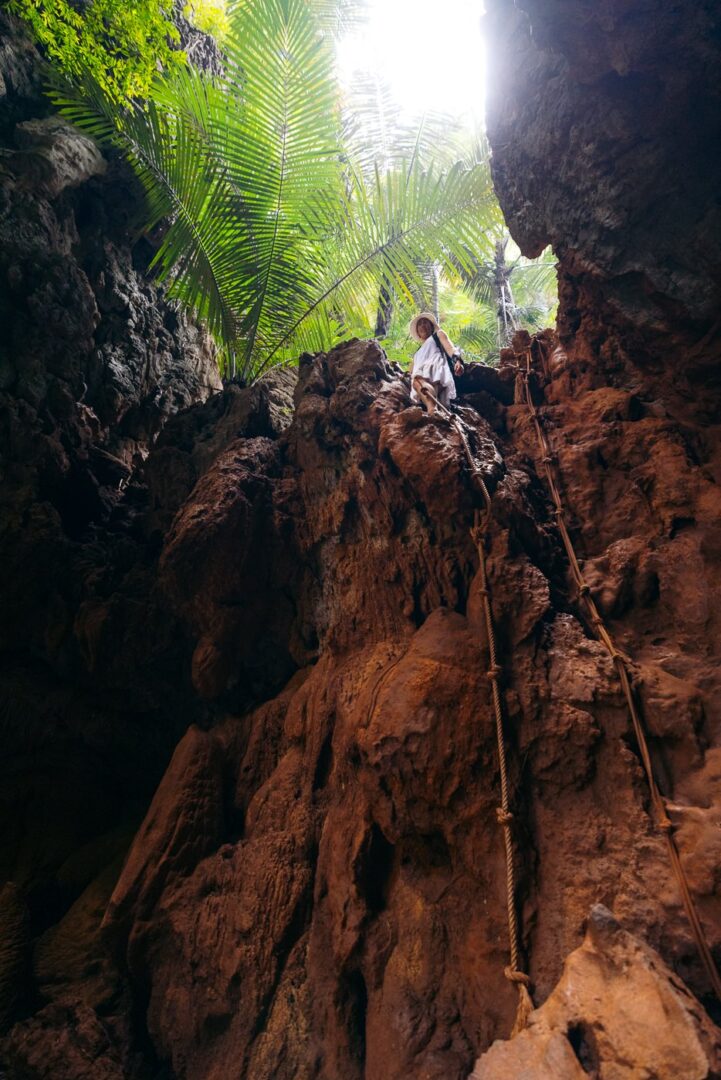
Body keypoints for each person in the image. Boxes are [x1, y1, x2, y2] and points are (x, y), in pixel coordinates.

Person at [408, 311, 464, 413]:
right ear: (417, 332)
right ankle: (435, 410)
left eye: (425, 322)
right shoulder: (416, 354)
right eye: (419, 324)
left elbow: (450, 348)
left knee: (417, 381)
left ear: (431, 326)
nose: (422, 325)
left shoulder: (438, 335)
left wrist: (458, 360)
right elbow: (409, 372)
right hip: (422, 382)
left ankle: (433, 411)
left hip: (436, 372)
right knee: (417, 382)